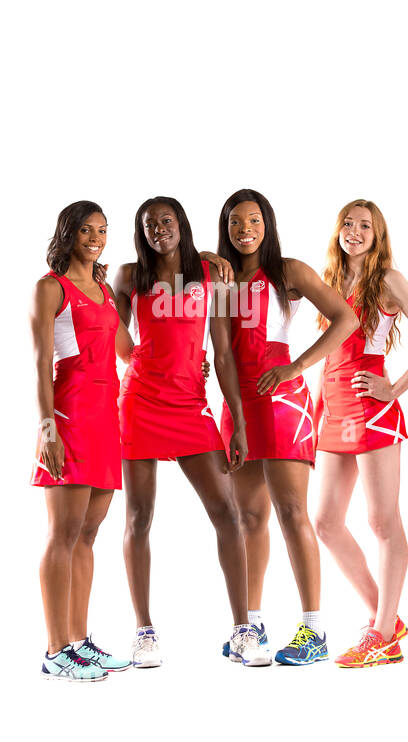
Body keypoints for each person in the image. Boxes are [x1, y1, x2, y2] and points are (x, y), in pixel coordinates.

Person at [215, 188, 358, 666]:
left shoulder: (288, 271)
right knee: (248, 518)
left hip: (281, 401)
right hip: (236, 404)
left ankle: (313, 629)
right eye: (235, 221)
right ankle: (250, 626)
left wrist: (296, 367)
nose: (245, 230)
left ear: (267, 223)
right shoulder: (219, 277)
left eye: (253, 220)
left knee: (292, 511)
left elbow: (346, 318)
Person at [111, 196, 253, 668]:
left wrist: (236, 419)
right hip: (139, 405)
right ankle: (144, 632)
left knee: (227, 514)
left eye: (166, 221)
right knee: (138, 517)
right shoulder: (130, 276)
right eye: (150, 225)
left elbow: (225, 353)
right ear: (142, 231)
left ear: (181, 224)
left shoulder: (215, 277)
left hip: (192, 407)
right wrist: (139, 362)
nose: (159, 230)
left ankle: (242, 629)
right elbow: (112, 331)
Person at [311, 200, 408, 668]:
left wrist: (394, 388)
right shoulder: (330, 279)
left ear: (378, 234)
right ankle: (384, 619)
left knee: (382, 522)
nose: (355, 231)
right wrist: (315, 411)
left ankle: (382, 632)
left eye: (365, 225)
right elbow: (327, 352)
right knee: (325, 522)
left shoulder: (388, 280)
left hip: (372, 410)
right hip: (333, 408)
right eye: (348, 223)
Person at [32, 201, 132, 680]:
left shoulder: (107, 291)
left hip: (106, 420)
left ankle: (78, 640)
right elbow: (39, 364)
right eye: (86, 230)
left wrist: (183, 357)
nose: (95, 238)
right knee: (64, 533)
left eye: (103, 231)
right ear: (68, 233)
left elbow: (127, 352)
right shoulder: (52, 289)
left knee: (89, 534)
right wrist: (47, 428)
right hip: (69, 417)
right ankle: (55, 650)